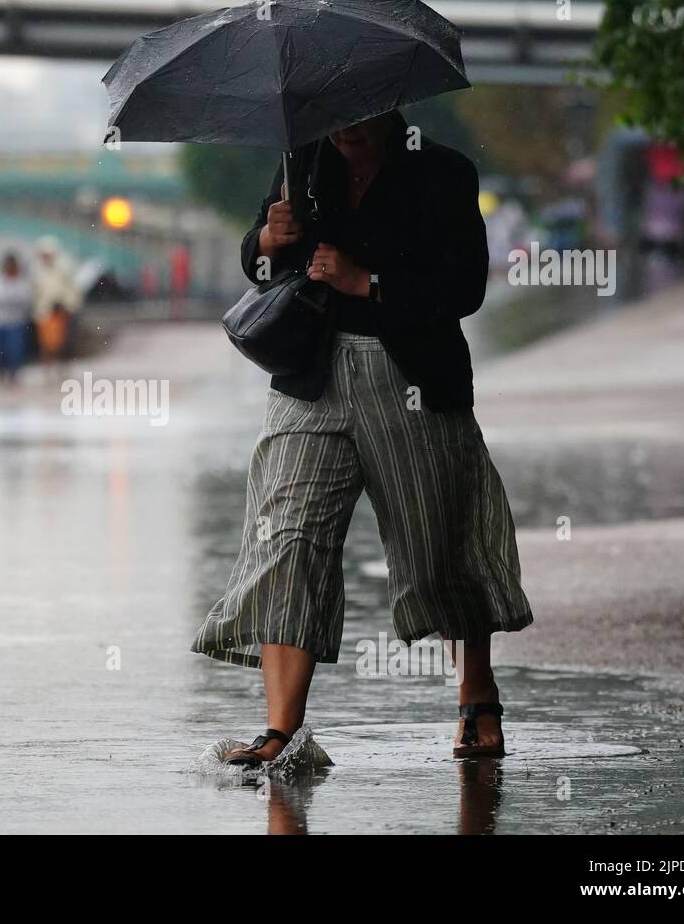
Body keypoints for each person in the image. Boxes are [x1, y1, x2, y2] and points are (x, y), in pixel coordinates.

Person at [190, 110, 534, 764]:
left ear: (390, 102)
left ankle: (477, 694)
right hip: (308, 379)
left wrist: (368, 283)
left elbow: (464, 287)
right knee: (287, 535)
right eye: (336, 117)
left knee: (442, 545)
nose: (346, 129)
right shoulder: (302, 163)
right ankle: (280, 731)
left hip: (411, 378)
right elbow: (262, 270)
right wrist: (265, 239)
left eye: (360, 117)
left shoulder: (443, 171)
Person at [29, 237, 80, 369]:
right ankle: (48, 368)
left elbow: (70, 289)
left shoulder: (64, 268)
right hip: (45, 312)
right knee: (46, 344)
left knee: (63, 342)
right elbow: (36, 292)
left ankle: (63, 366)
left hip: (62, 310)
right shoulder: (36, 270)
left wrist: (69, 305)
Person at [0, 251, 32, 383]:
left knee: (14, 350)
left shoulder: (21, 281)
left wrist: (9, 298)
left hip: (15, 322)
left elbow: (25, 299)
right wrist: (8, 298)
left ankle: (13, 373)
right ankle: (0, 372)